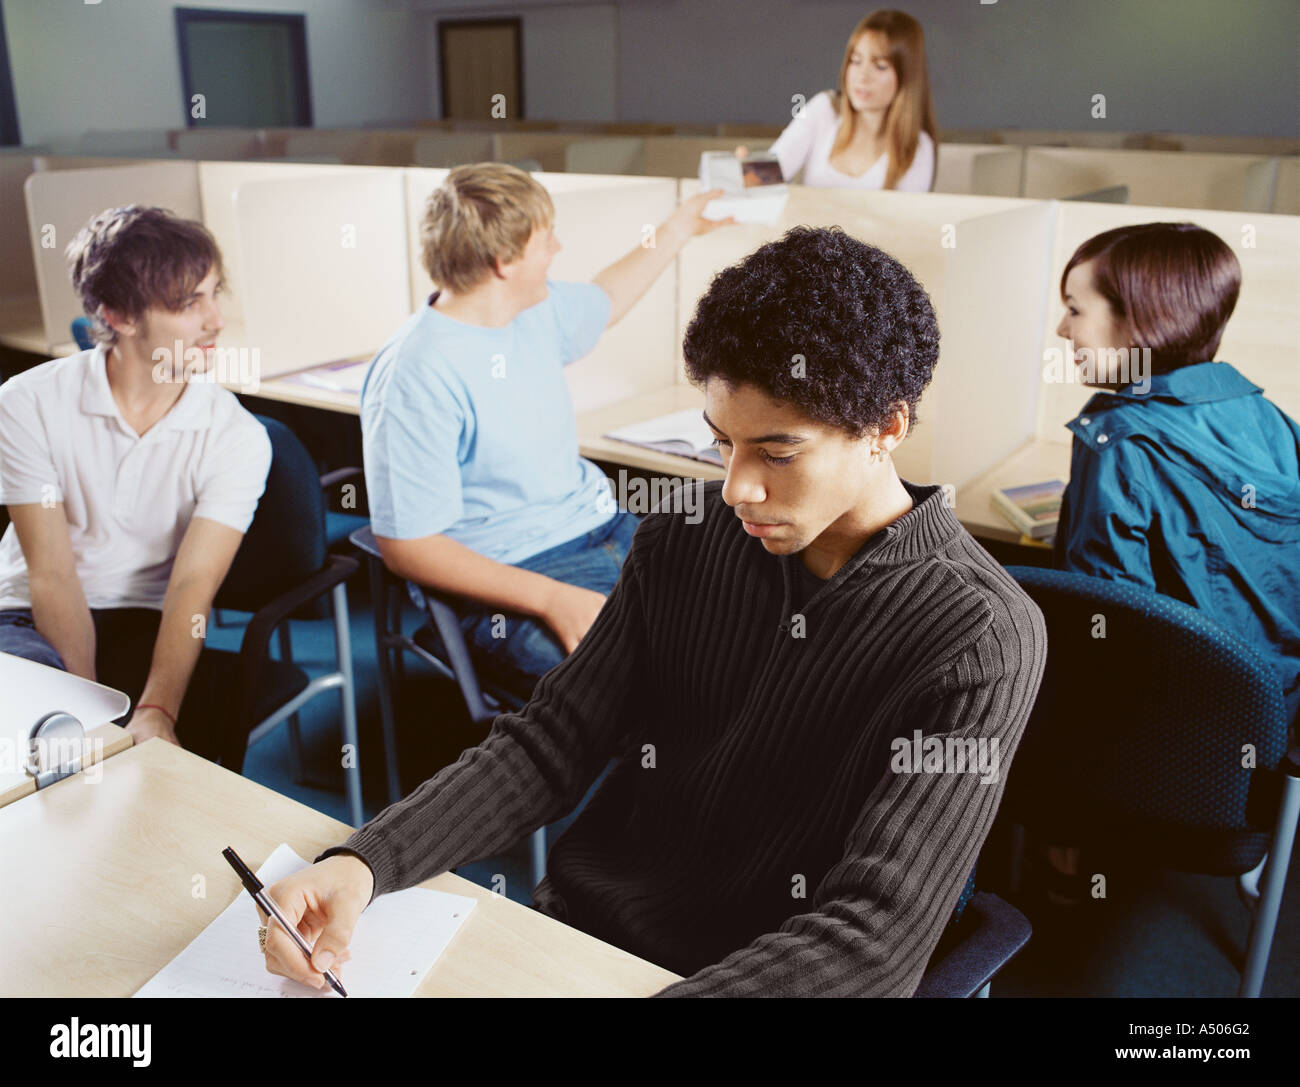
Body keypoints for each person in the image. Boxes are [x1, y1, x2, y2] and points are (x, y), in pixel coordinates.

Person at [257, 226, 1047, 997]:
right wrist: (365, 863)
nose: (736, 486)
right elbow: (548, 744)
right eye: (721, 444)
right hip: (586, 939)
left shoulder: (980, 637)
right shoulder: (681, 539)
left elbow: (873, 940)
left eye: (776, 452)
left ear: (888, 428)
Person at [361, 163, 728, 691]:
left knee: (744, 623)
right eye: (545, 237)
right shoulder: (415, 372)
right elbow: (408, 546)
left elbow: (607, 297)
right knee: (651, 686)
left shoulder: (532, 310)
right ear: (504, 261)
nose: (557, 247)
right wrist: (553, 599)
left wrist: (679, 228)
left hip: (603, 528)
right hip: (515, 576)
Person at [0, 205, 271, 753]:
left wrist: (156, 710)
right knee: (46, 741)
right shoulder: (25, 403)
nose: (215, 320)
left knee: (181, 762)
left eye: (214, 293)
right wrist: (88, 712)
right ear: (118, 315)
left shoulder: (236, 435)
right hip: (30, 609)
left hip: (148, 617)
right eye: (188, 302)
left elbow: (192, 585)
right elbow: (53, 575)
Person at [1053, 221, 1300, 731]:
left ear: (1139, 321)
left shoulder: (1118, 439)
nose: (1062, 329)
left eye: (1075, 310)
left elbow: (1104, 628)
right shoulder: (1277, 422)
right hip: (1278, 717)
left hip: (1176, 728)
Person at [738, 10, 937, 192]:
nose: (862, 76)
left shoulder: (917, 147)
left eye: (880, 66)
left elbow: (905, 224)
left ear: (907, 76)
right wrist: (744, 172)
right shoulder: (823, 109)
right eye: (856, 61)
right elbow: (772, 172)